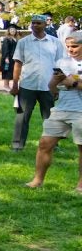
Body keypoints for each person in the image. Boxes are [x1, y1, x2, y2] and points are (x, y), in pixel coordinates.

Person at [26, 34, 82, 191]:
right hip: (62, 108)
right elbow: (52, 89)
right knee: (44, 143)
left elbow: (73, 83)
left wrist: (74, 83)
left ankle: (81, 185)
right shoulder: (62, 62)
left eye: (75, 46)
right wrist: (56, 81)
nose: (71, 49)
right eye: (68, 46)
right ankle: (37, 180)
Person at [12, 15, 65, 150]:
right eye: (33, 23)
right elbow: (18, 63)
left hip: (48, 86)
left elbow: (60, 65)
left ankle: (53, 145)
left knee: (50, 118)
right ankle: (17, 144)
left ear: (45, 25)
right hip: (27, 85)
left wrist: (57, 86)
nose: (35, 25)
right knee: (22, 117)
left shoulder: (55, 42)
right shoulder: (23, 42)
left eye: (38, 23)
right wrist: (14, 84)